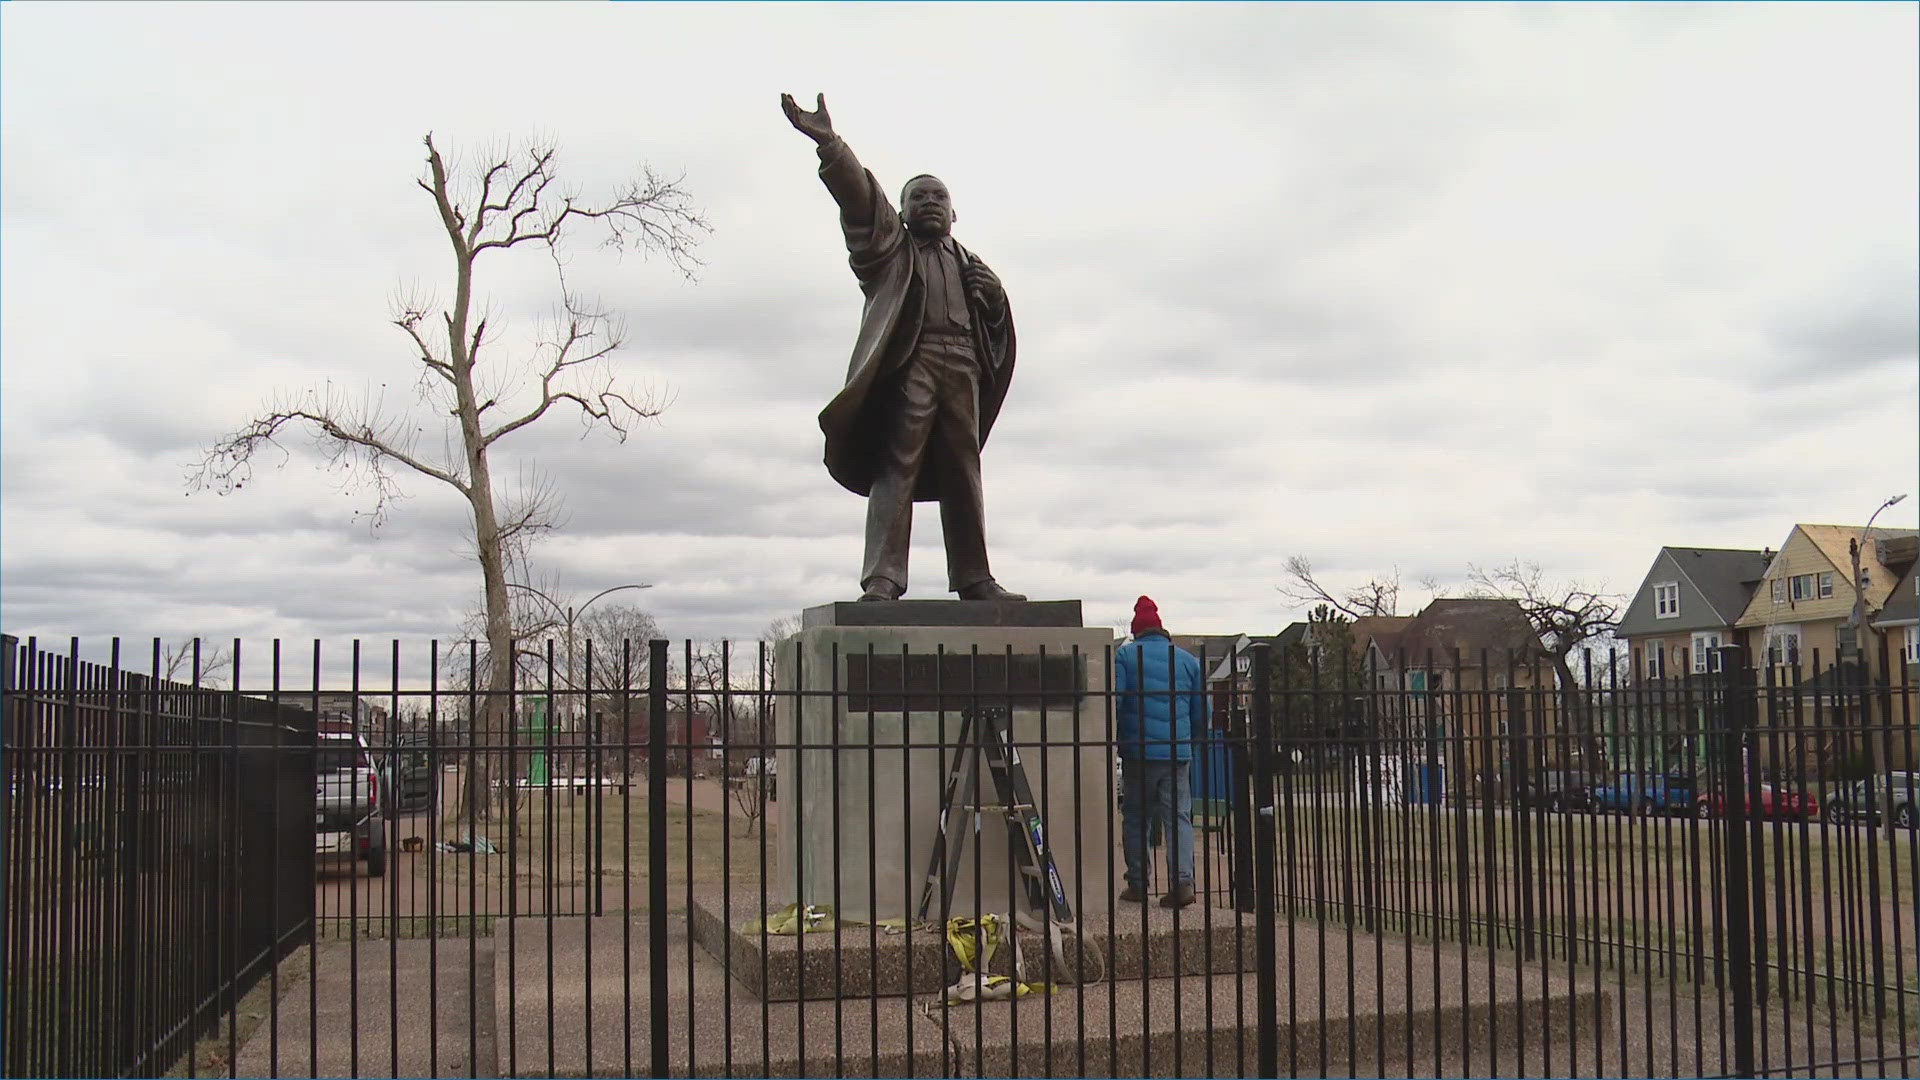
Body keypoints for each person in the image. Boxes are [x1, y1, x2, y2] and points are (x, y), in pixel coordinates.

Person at [780, 92, 1024, 603]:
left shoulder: (970, 263)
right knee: (897, 465)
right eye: (919, 197)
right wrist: (830, 145)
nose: (930, 203)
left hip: (962, 366)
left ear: (955, 213)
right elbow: (861, 198)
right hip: (912, 364)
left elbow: (996, 331)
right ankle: (883, 578)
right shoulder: (890, 250)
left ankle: (975, 578)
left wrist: (996, 298)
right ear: (904, 210)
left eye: (939, 197)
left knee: (964, 470)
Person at [1114, 595, 1206, 908]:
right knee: (1178, 818)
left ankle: (1138, 882)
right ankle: (1182, 882)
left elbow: (1116, 701)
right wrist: (1187, 742)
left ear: (1136, 630)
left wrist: (1118, 740)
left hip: (1138, 754)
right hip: (1176, 754)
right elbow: (1200, 712)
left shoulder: (1125, 657)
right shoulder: (1186, 661)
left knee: (1136, 817)